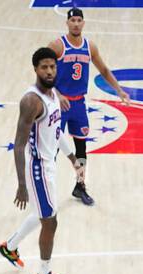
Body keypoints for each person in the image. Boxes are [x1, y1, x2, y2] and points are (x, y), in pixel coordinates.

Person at [0, 48, 79, 274]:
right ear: (35, 69)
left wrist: (73, 158)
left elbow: (56, 131)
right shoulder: (31, 101)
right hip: (38, 168)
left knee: (43, 212)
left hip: (50, 164)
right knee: (50, 221)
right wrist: (22, 184)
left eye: (52, 66)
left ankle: (10, 246)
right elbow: (19, 144)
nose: (49, 71)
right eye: (44, 67)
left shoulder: (53, 94)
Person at [47, 8, 131, 207]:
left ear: (83, 23)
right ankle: (46, 190)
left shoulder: (89, 47)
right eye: (72, 20)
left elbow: (104, 69)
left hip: (78, 104)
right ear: (67, 23)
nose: (76, 23)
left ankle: (80, 185)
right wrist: (57, 95)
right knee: (52, 150)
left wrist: (119, 90)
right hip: (59, 104)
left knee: (81, 148)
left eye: (79, 20)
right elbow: (44, 73)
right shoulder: (57, 45)